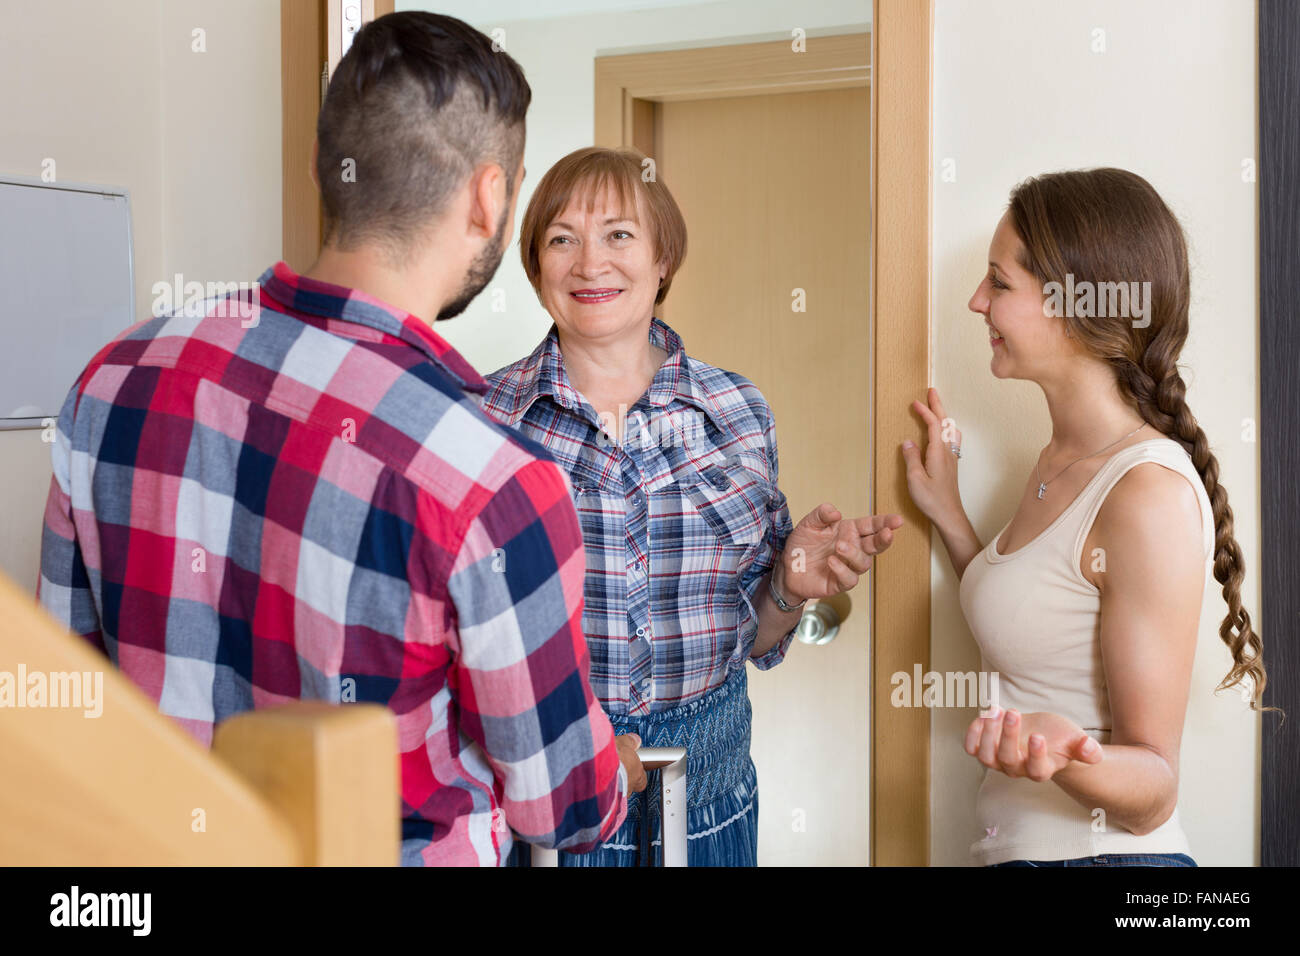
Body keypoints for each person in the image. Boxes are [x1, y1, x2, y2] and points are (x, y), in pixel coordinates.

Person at [36, 11, 646, 867]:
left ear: (331, 169)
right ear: (490, 197)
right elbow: (562, 809)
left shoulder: (114, 379)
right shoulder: (492, 481)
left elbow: (68, 703)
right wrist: (609, 768)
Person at [482, 146, 903, 866]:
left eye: (619, 234)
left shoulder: (737, 410)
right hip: (554, 813)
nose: (591, 263)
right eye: (562, 239)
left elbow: (758, 638)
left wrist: (787, 588)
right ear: (535, 266)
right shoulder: (486, 420)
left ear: (663, 258)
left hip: (710, 803)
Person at [901, 168, 1268, 867]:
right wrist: (949, 516)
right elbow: (1035, 617)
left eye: (999, 284)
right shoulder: (1057, 460)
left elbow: (1154, 790)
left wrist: (1061, 753)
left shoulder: (1144, 493)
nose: (977, 302)